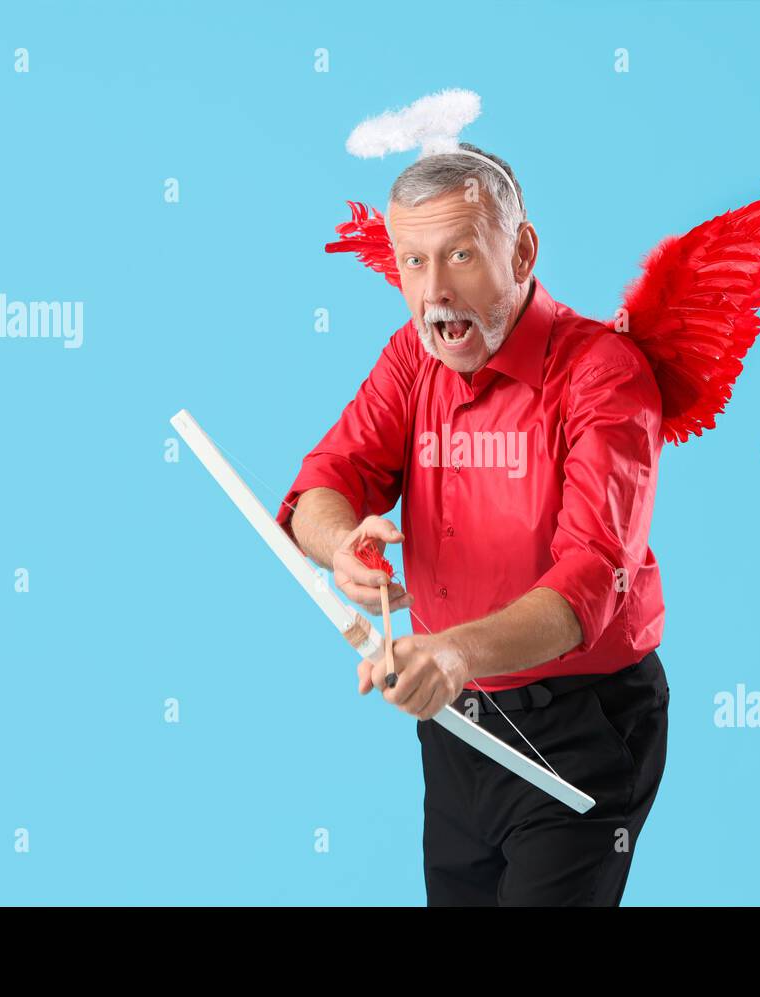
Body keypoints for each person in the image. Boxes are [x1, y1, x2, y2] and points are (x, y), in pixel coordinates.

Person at [275, 143, 669, 906]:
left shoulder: (604, 375)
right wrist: (340, 547)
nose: (434, 293)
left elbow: (588, 582)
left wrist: (452, 652)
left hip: (581, 727)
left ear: (521, 250)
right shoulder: (411, 360)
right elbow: (322, 485)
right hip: (458, 725)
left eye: (459, 254)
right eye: (413, 263)